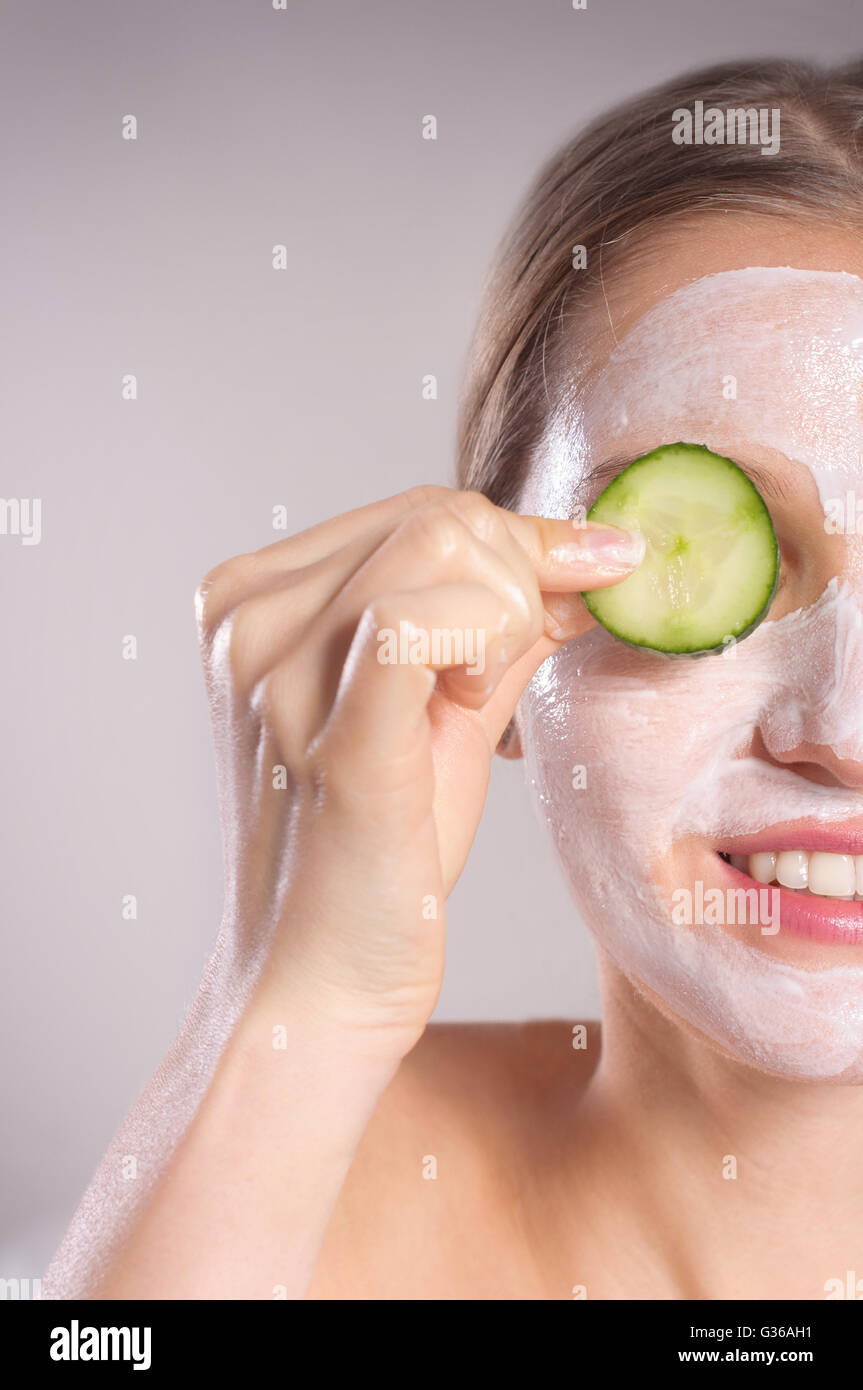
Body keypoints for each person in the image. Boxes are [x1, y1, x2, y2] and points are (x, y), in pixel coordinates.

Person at [45, 58, 863, 1300]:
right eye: (711, 566)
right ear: (497, 616)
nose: (840, 730)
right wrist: (300, 1000)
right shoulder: (289, 1194)